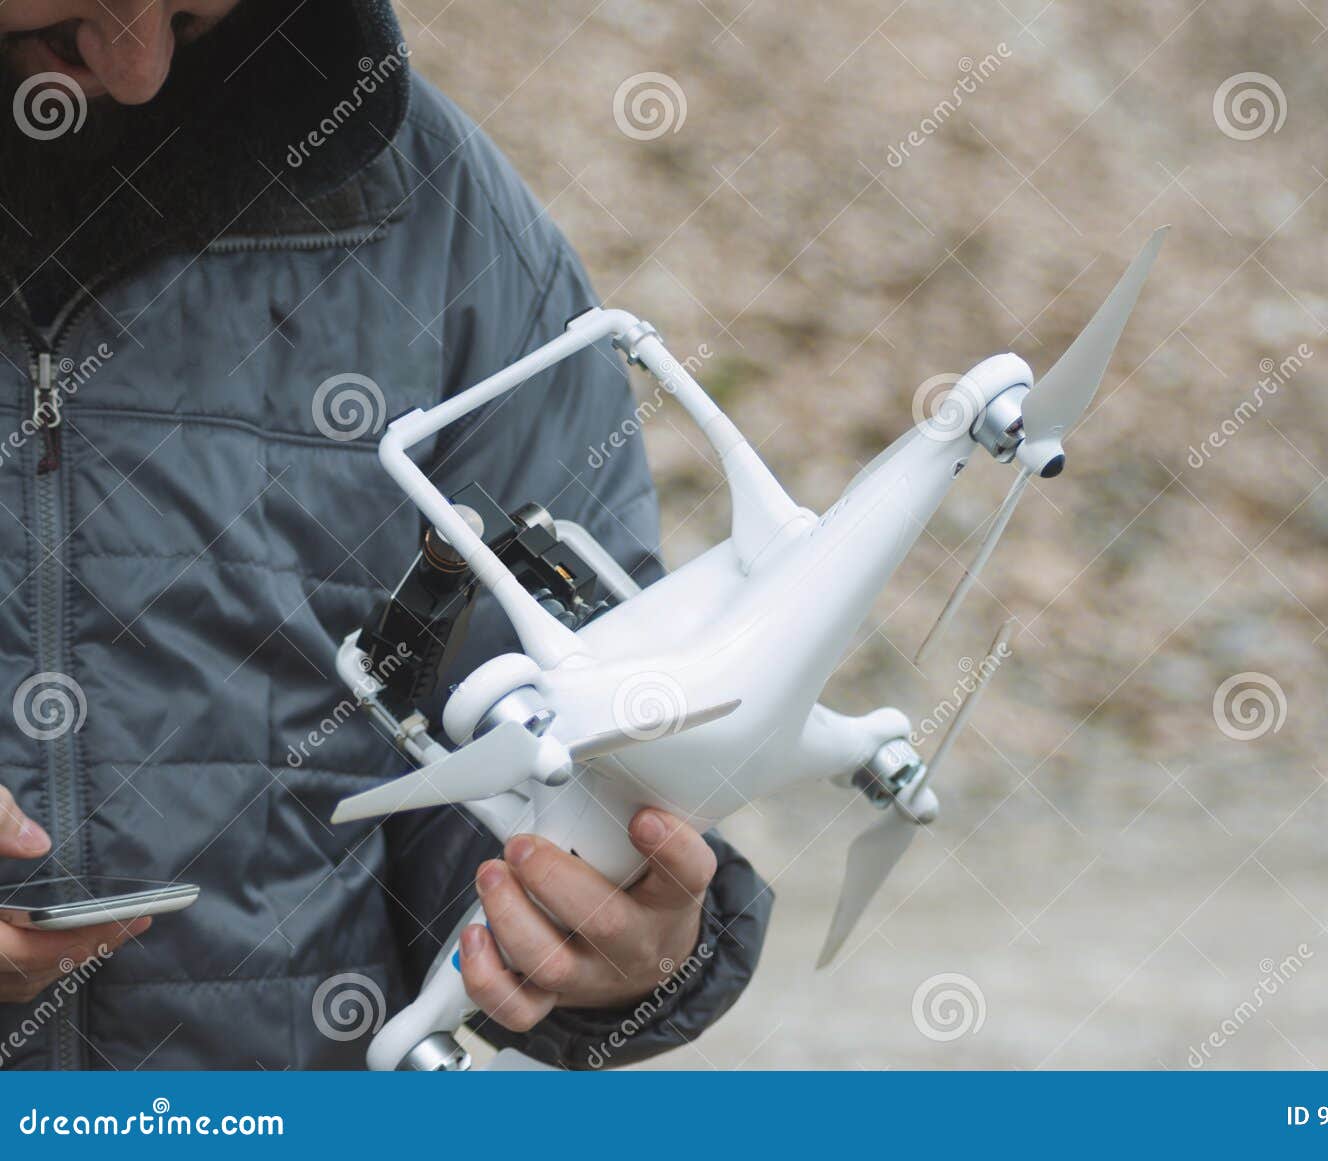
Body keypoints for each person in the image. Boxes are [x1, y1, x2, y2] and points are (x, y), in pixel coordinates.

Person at [0, 0, 772, 1069]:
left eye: (186, 7)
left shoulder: (450, 234)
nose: (137, 71)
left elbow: (560, 730)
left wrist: (621, 935)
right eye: (68, 11)